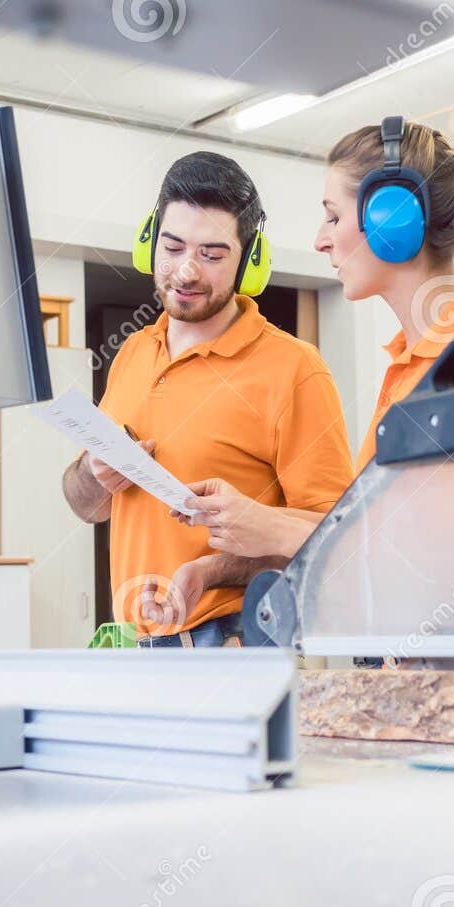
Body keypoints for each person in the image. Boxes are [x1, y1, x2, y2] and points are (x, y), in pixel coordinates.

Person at [62, 151, 354, 646]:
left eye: (212, 255)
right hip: (134, 642)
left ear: (249, 261)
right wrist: (93, 474)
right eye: (172, 247)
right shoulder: (133, 352)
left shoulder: (295, 370)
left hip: (230, 642)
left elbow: (338, 541)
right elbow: (88, 507)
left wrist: (216, 569)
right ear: (149, 240)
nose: (187, 271)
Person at [178, 117, 454, 560]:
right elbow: (380, 525)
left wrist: (279, 534)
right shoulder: (415, 363)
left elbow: (447, 553)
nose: (320, 240)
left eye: (333, 216)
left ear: (393, 220)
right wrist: (249, 527)